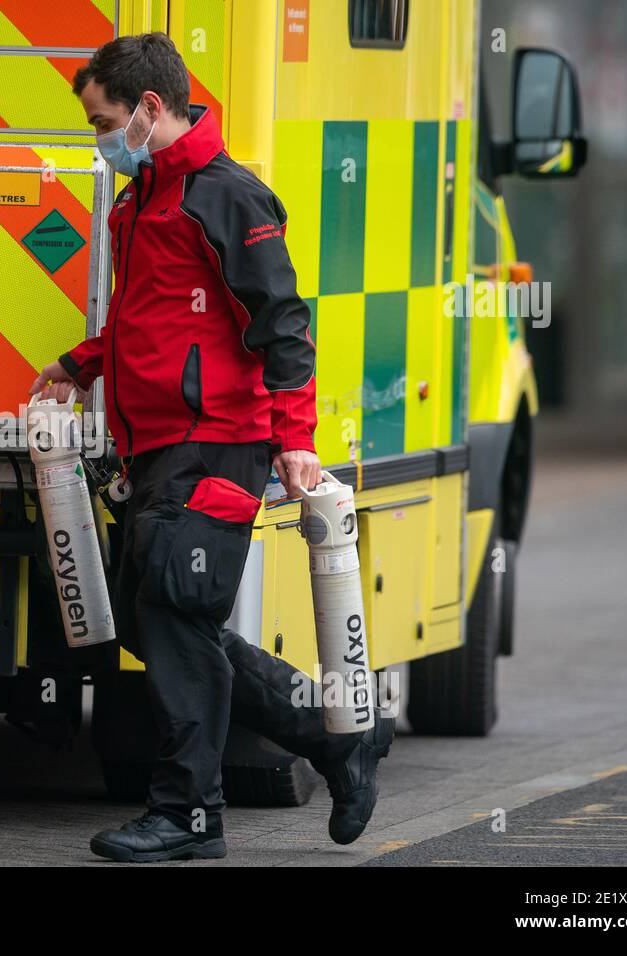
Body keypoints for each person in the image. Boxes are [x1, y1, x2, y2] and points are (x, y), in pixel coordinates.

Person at [29, 33, 394, 862]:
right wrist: (80, 366)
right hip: (155, 447)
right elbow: (151, 323)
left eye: (105, 121)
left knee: (174, 611)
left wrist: (294, 442)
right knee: (150, 618)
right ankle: (338, 739)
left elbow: (284, 328)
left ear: (150, 109)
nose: (102, 140)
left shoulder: (227, 197)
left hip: (220, 443)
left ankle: (190, 816)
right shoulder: (141, 203)